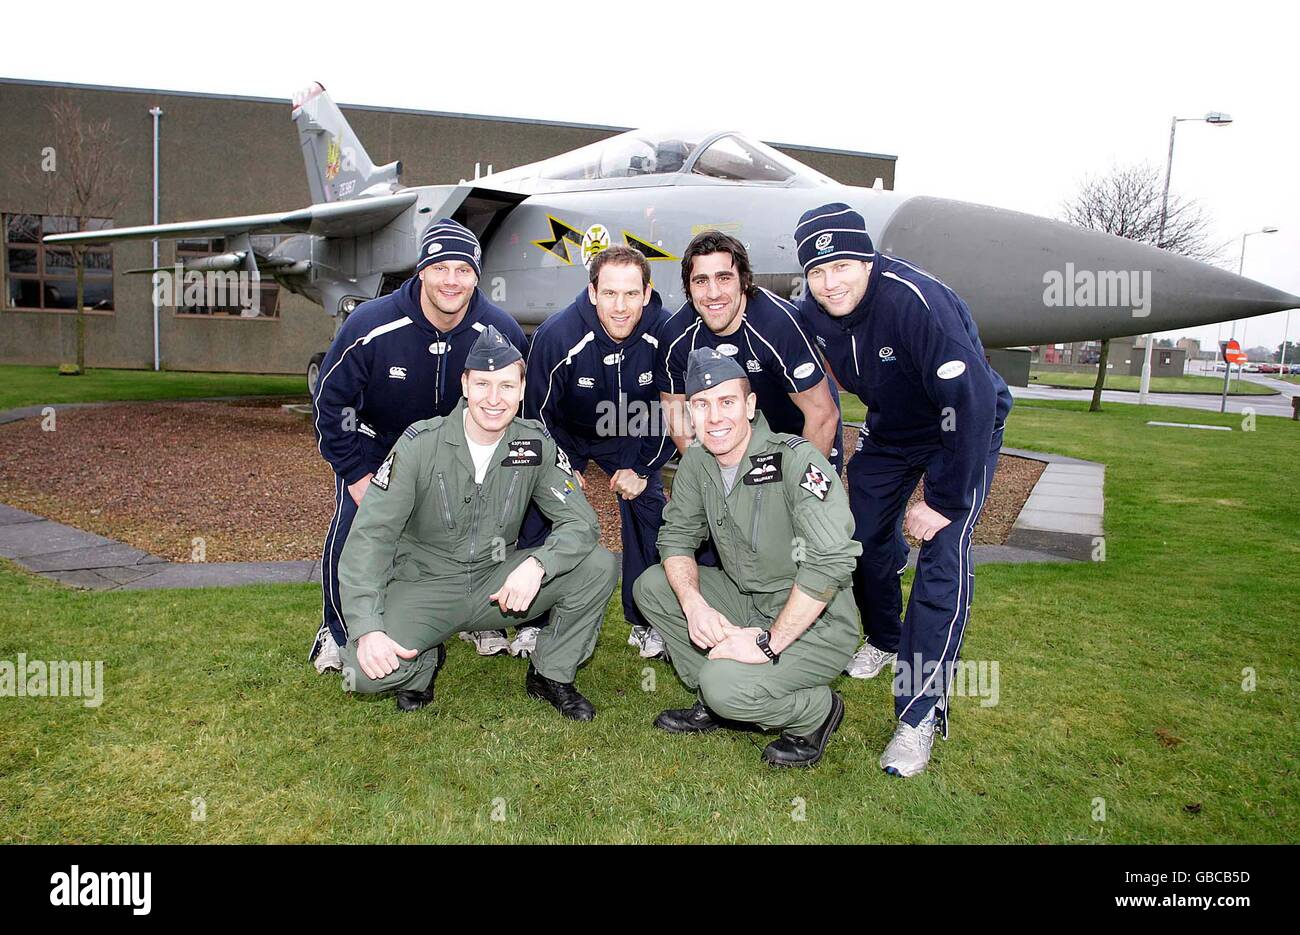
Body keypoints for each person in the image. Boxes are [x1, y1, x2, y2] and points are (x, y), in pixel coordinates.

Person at [793, 202, 1013, 777]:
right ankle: (885, 637)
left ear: (867, 258)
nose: (829, 281)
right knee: (857, 542)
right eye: (816, 272)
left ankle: (919, 715)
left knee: (943, 557)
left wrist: (939, 501)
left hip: (962, 429)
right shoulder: (813, 311)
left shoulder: (917, 302)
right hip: (892, 432)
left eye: (840, 264)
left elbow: (973, 400)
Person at [336, 325, 617, 719]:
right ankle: (422, 663)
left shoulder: (532, 444)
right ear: (465, 384)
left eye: (506, 386)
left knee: (598, 565)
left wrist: (538, 566)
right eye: (483, 384)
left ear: (521, 391)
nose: (494, 398)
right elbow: (370, 537)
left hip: (497, 585)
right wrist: (367, 629)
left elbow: (581, 523)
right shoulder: (421, 444)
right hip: (427, 584)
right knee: (361, 673)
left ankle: (551, 673)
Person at [311, 218, 527, 672]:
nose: (452, 280)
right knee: (357, 529)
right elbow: (332, 401)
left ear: (476, 276)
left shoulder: (499, 329)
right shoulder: (371, 322)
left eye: (463, 270)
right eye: (441, 267)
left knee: (476, 530)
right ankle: (335, 630)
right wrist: (353, 471)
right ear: (421, 271)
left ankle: (476, 615)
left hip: (457, 449)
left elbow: (512, 399)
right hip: (377, 447)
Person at [633, 348, 861, 768]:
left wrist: (768, 645)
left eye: (726, 402)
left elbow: (831, 560)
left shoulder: (795, 460)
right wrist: (695, 605)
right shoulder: (698, 462)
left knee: (725, 687)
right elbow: (677, 537)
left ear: (750, 405)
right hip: (748, 601)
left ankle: (815, 711)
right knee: (653, 585)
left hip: (816, 621)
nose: (715, 417)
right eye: (701, 405)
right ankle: (712, 695)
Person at [516, 245, 675, 660]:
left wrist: (641, 468)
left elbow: (675, 411)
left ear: (646, 292)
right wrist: (559, 463)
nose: (620, 306)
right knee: (539, 506)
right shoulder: (557, 334)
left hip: (630, 428)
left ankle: (647, 621)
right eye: (609, 294)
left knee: (650, 508)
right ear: (592, 293)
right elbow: (537, 413)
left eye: (629, 294)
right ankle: (531, 621)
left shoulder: (666, 332)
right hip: (566, 430)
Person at [656, 230, 843, 469]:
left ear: (744, 281)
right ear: (688, 289)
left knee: (802, 500)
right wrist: (705, 473)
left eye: (724, 278)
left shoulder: (778, 325)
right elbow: (675, 413)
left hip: (797, 437)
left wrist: (797, 488)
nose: (713, 293)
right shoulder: (675, 336)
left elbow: (822, 416)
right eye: (701, 280)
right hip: (734, 439)